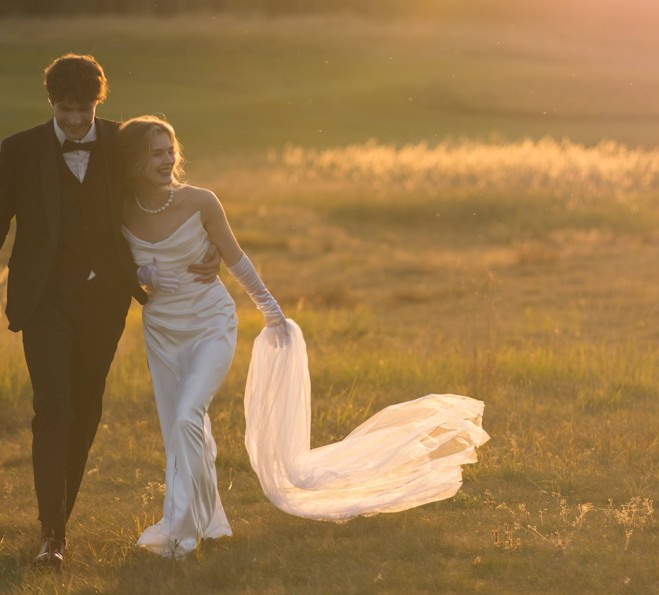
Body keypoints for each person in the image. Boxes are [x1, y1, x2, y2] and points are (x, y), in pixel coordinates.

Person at [115, 115, 489, 558]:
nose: (166, 159)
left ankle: (180, 533)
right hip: (161, 330)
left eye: (169, 150)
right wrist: (137, 271)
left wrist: (272, 312)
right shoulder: (117, 209)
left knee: (186, 418)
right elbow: (105, 261)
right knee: (181, 427)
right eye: (155, 152)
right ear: (135, 161)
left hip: (210, 323)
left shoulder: (201, 201)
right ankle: (209, 520)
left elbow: (236, 259)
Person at [0, 55, 219, 570]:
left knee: (86, 410)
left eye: (84, 109)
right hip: (43, 302)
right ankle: (53, 536)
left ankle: (56, 522)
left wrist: (208, 242)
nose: (75, 120)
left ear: (100, 100)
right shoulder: (19, 151)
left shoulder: (121, 142)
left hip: (105, 300)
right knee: (54, 407)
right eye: (65, 109)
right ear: (51, 102)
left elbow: (165, 190)